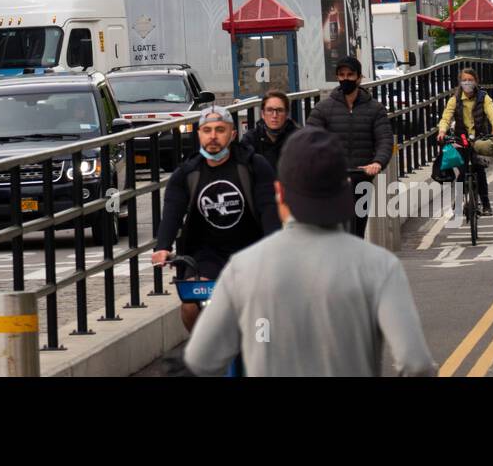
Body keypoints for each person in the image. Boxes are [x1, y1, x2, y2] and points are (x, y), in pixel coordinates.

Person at [183, 126, 436, 377]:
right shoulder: (379, 265)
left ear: (279, 192)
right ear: (346, 188)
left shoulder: (243, 267)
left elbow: (200, 359)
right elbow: (416, 364)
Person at [151, 106, 280, 332]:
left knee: (261, 315)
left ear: (233, 134)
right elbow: (172, 210)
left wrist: (274, 248)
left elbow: (268, 208)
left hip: (251, 252)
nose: (213, 136)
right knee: (190, 306)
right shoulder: (187, 172)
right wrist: (162, 247)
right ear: (199, 134)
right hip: (205, 255)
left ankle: (262, 349)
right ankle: (203, 349)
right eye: (207, 130)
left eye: (220, 130)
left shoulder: (254, 165)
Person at [304, 56, 394, 238]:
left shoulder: (375, 109)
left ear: (359, 78)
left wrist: (377, 162)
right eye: (341, 75)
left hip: (362, 177)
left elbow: (384, 139)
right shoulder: (323, 109)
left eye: (350, 75)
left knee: (358, 230)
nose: (346, 79)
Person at [436, 68, 493, 217]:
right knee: (463, 169)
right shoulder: (454, 99)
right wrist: (442, 131)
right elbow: (446, 117)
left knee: (479, 170)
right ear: (460, 82)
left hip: (479, 138)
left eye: (470, 80)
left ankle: (486, 204)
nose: (467, 83)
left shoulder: (484, 97)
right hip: (461, 139)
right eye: (464, 80)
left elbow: (492, 113)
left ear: (476, 81)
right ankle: (459, 199)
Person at [238, 90, 299, 172]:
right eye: (270, 110)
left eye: (279, 110)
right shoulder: (251, 138)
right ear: (263, 114)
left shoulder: (298, 138)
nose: (274, 115)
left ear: (287, 114)